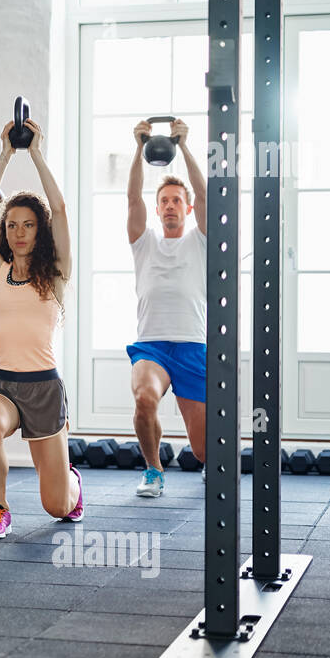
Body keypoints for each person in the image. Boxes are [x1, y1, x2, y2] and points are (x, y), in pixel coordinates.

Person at [0, 117, 81, 538]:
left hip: (44, 389)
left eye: (29, 224)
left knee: (57, 505)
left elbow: (61, 209)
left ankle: (72, 482)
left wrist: (35, 153)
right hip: (1, 384)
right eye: (13, 225)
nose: (19, 232)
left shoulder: (55, 274)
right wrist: (4, 154)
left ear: (41, 230)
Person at [126, 118, 208, 499]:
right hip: (152, 346)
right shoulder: (144, 242)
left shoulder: (200, 241)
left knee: (205, 451)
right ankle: (153, 470)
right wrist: (139, 149)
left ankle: (212, 468)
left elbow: (207, 198)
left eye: (177, 200)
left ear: (186, 208)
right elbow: (131, 199)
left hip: (193, 345)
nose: (171, 206)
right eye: (164, 201)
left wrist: (185, 146)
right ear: (157, 210)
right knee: (144, 398)